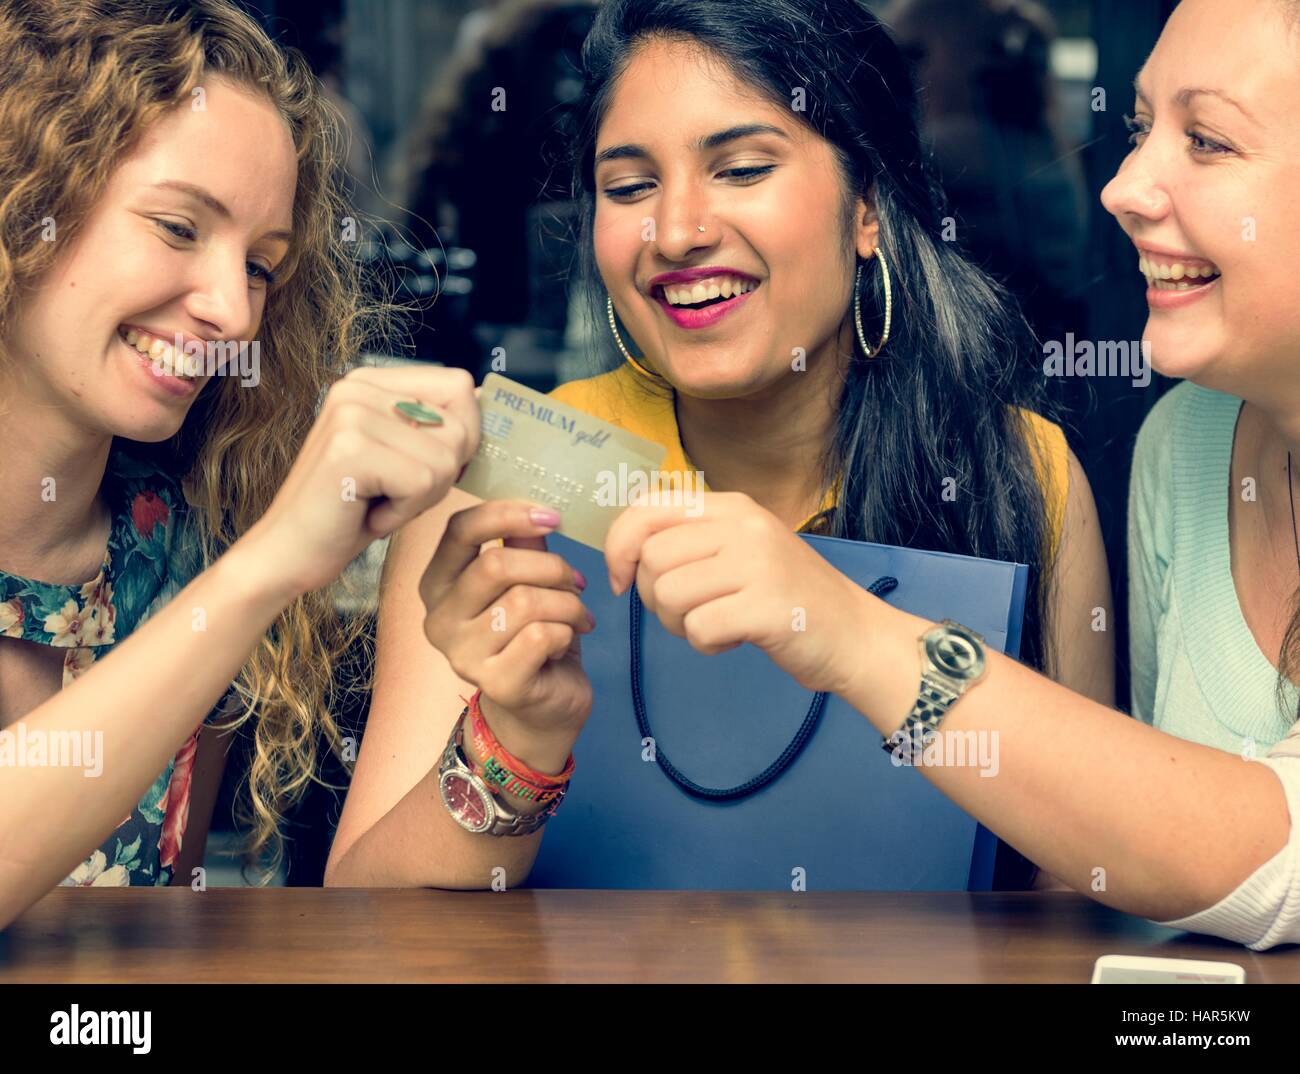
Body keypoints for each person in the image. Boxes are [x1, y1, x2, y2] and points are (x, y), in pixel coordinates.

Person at [325, 0, 1112, 890]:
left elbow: (1089, 885)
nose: (677, 231)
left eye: (740, 169)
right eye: (629, 188)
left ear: (868, 207)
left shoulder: (1016, 473)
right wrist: (514, 741)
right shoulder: (507, 486)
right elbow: (368, 919)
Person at [600, 0, 1300, 948]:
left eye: (1207, 140)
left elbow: (1271, 863)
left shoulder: (1020, 472)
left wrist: (850, 630)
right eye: (1139, 131)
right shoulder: (1188, 440)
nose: (1123, 186)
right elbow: (1131, 859)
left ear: (870, 207)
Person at [0, 0, 477, 928]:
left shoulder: (176, 545)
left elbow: (144, 962)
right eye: (179, 228)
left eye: (262, 265)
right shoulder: (231, 578)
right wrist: (262, 569)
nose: (233, 310)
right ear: (25, 199)